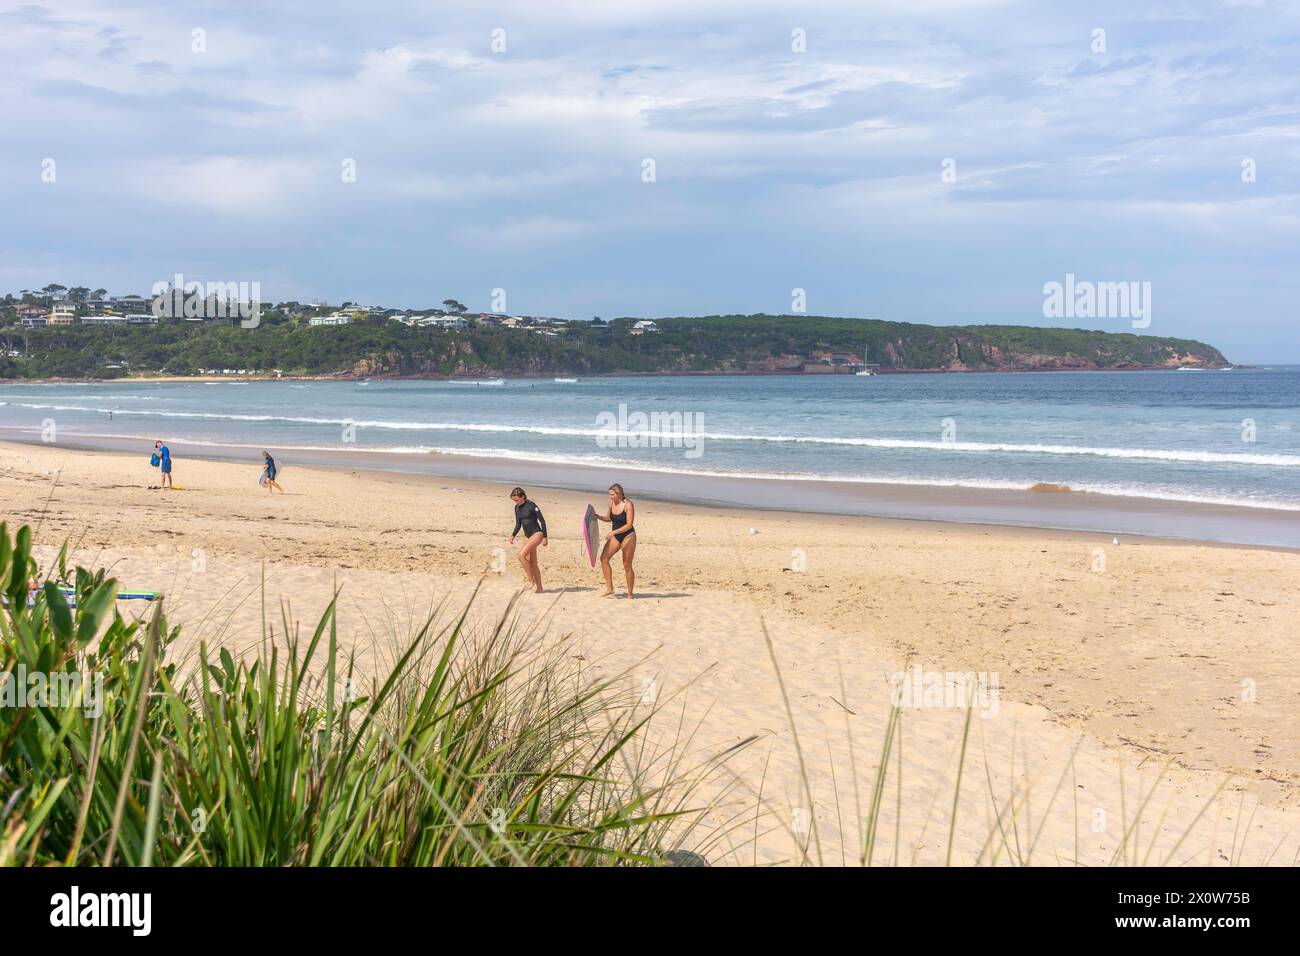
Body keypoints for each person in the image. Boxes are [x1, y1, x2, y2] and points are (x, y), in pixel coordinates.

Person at [596, 483, 636, 598]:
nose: (610, 497)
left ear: (618, 494)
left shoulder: (628, 505)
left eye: (612, 494)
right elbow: (609, 518)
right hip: (617, 535)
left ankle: (630, 594)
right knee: (604, 559)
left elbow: (629, 524)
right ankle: (610, 588)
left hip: (628, 535)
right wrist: (597, 516)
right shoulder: (611, 503)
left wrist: (613, 532)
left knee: (627, 565)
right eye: (609, 494)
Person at [508, 487, 548, 593]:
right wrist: (513, 535)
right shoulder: (517, 508)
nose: (516, 502)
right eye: (514, 500)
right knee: (532, 562)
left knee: (521, 556)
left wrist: (545, 537)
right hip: (527, 536)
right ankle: (540, 588)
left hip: (537, 534)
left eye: (517, 500)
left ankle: (531, 580)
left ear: (523, 497)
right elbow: (518, 524)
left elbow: (542, 521)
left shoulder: (531, 506)